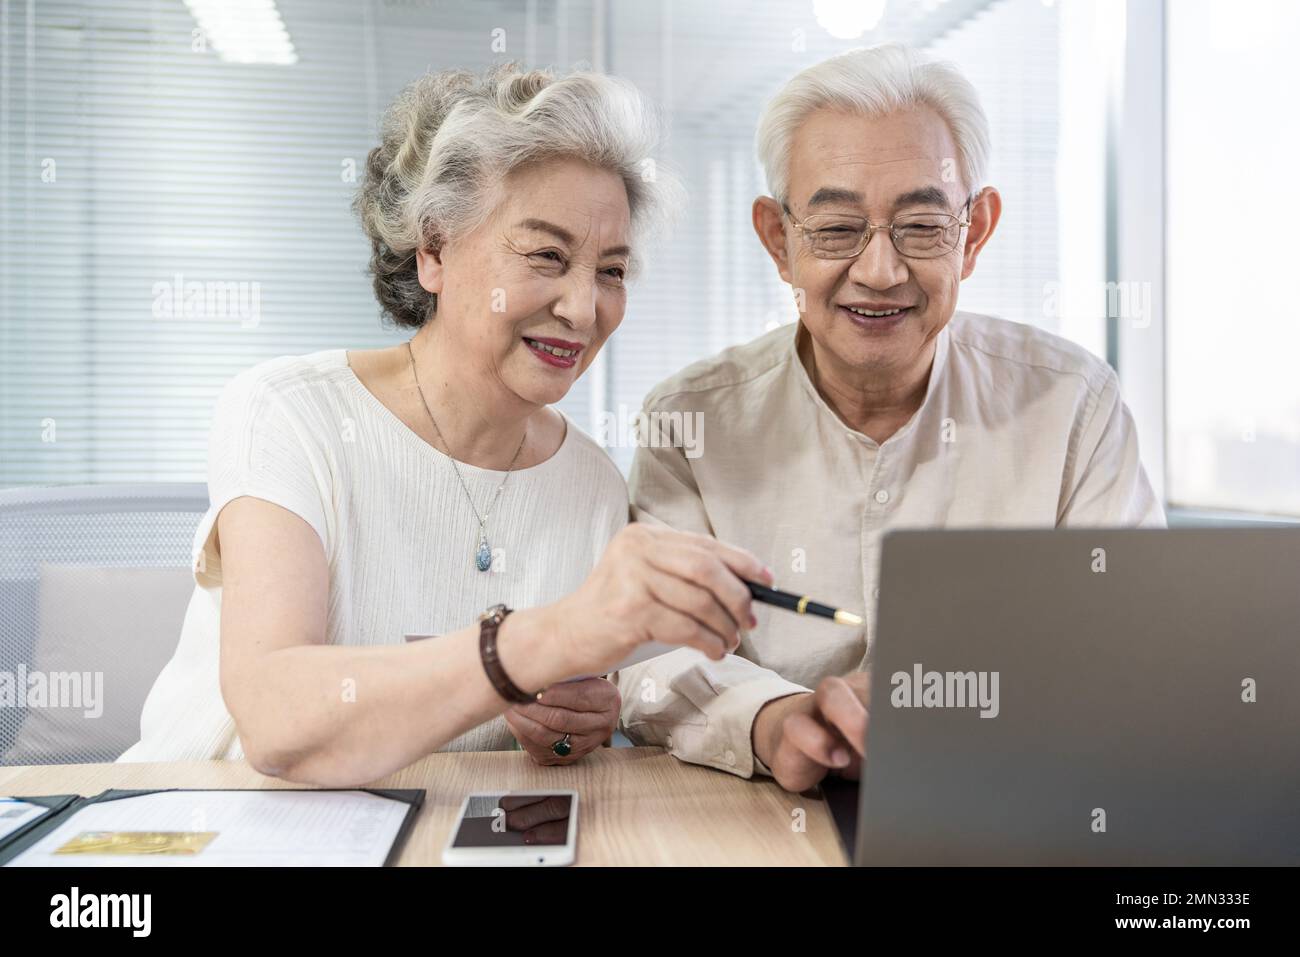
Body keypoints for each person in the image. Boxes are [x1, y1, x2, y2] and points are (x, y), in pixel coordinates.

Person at [119, 64, 772, 786]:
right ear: (434, 249)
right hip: (198, 828)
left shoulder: (589, 482)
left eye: (611, 271)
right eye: (547, 255)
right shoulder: (291, 412)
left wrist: (568, 728)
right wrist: (535, 642)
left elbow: (546, 721)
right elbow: (277, 722)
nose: (584, 309)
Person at [615, 44, 1164, 793]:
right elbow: (651, 653)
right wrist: (771, 720)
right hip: (762, 810)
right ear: (779, 240)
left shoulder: (1073, 407)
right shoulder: (691, 421)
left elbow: (1137, 648)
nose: (879, 272)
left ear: (972, 235)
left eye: (921, 226)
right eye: (837, 228)